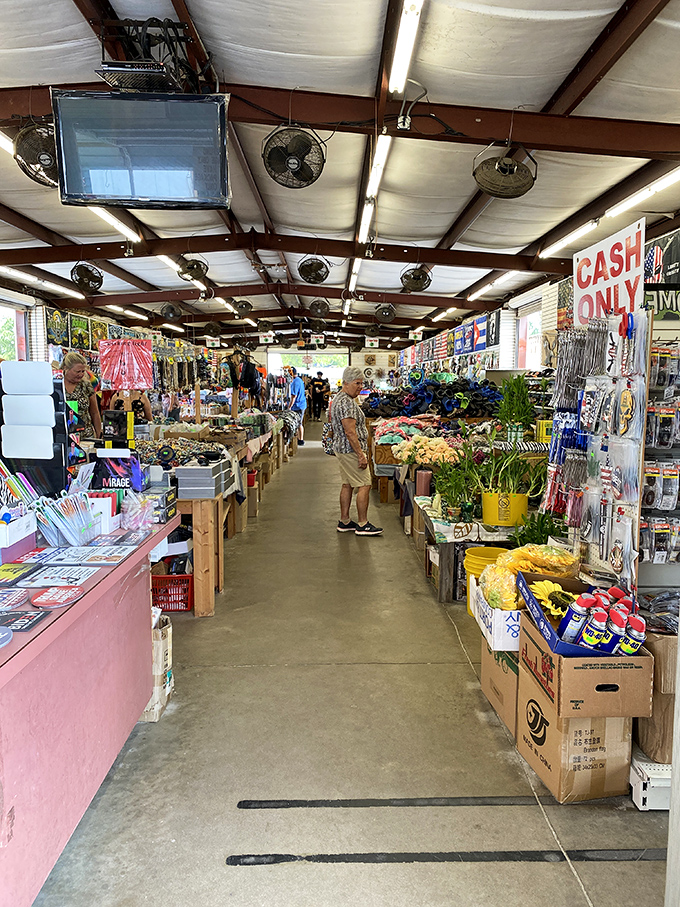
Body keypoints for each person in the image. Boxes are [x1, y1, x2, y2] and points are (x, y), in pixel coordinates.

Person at [331, 366, 382, 536]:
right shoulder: (346, 403)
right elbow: (350, 432)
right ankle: (362, 524)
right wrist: (361, 454)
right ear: (346, 383)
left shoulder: (340, 398)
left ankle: (344, 521)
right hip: (350, 451)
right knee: (364, 484)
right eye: (357, 383)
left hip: (342, 449)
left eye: (362, 383)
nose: (361, 386)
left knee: (347, 484)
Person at [62, 351, 101, 439]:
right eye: (77, 371)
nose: (81, 374)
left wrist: (99, 435)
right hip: (63, 436)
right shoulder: (56, 386)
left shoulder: (86, 385)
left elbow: (94, 412)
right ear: (66, 368)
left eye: (83, 371)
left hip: (86, 436)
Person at [289, 367, 307, 445]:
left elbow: (294, 396)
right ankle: (299, 439)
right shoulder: (299, 380)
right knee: (298, 423)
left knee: (298, 423)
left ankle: (300, 440)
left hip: (298, 405)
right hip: (300, 404)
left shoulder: (295, 382)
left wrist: (289, 407)